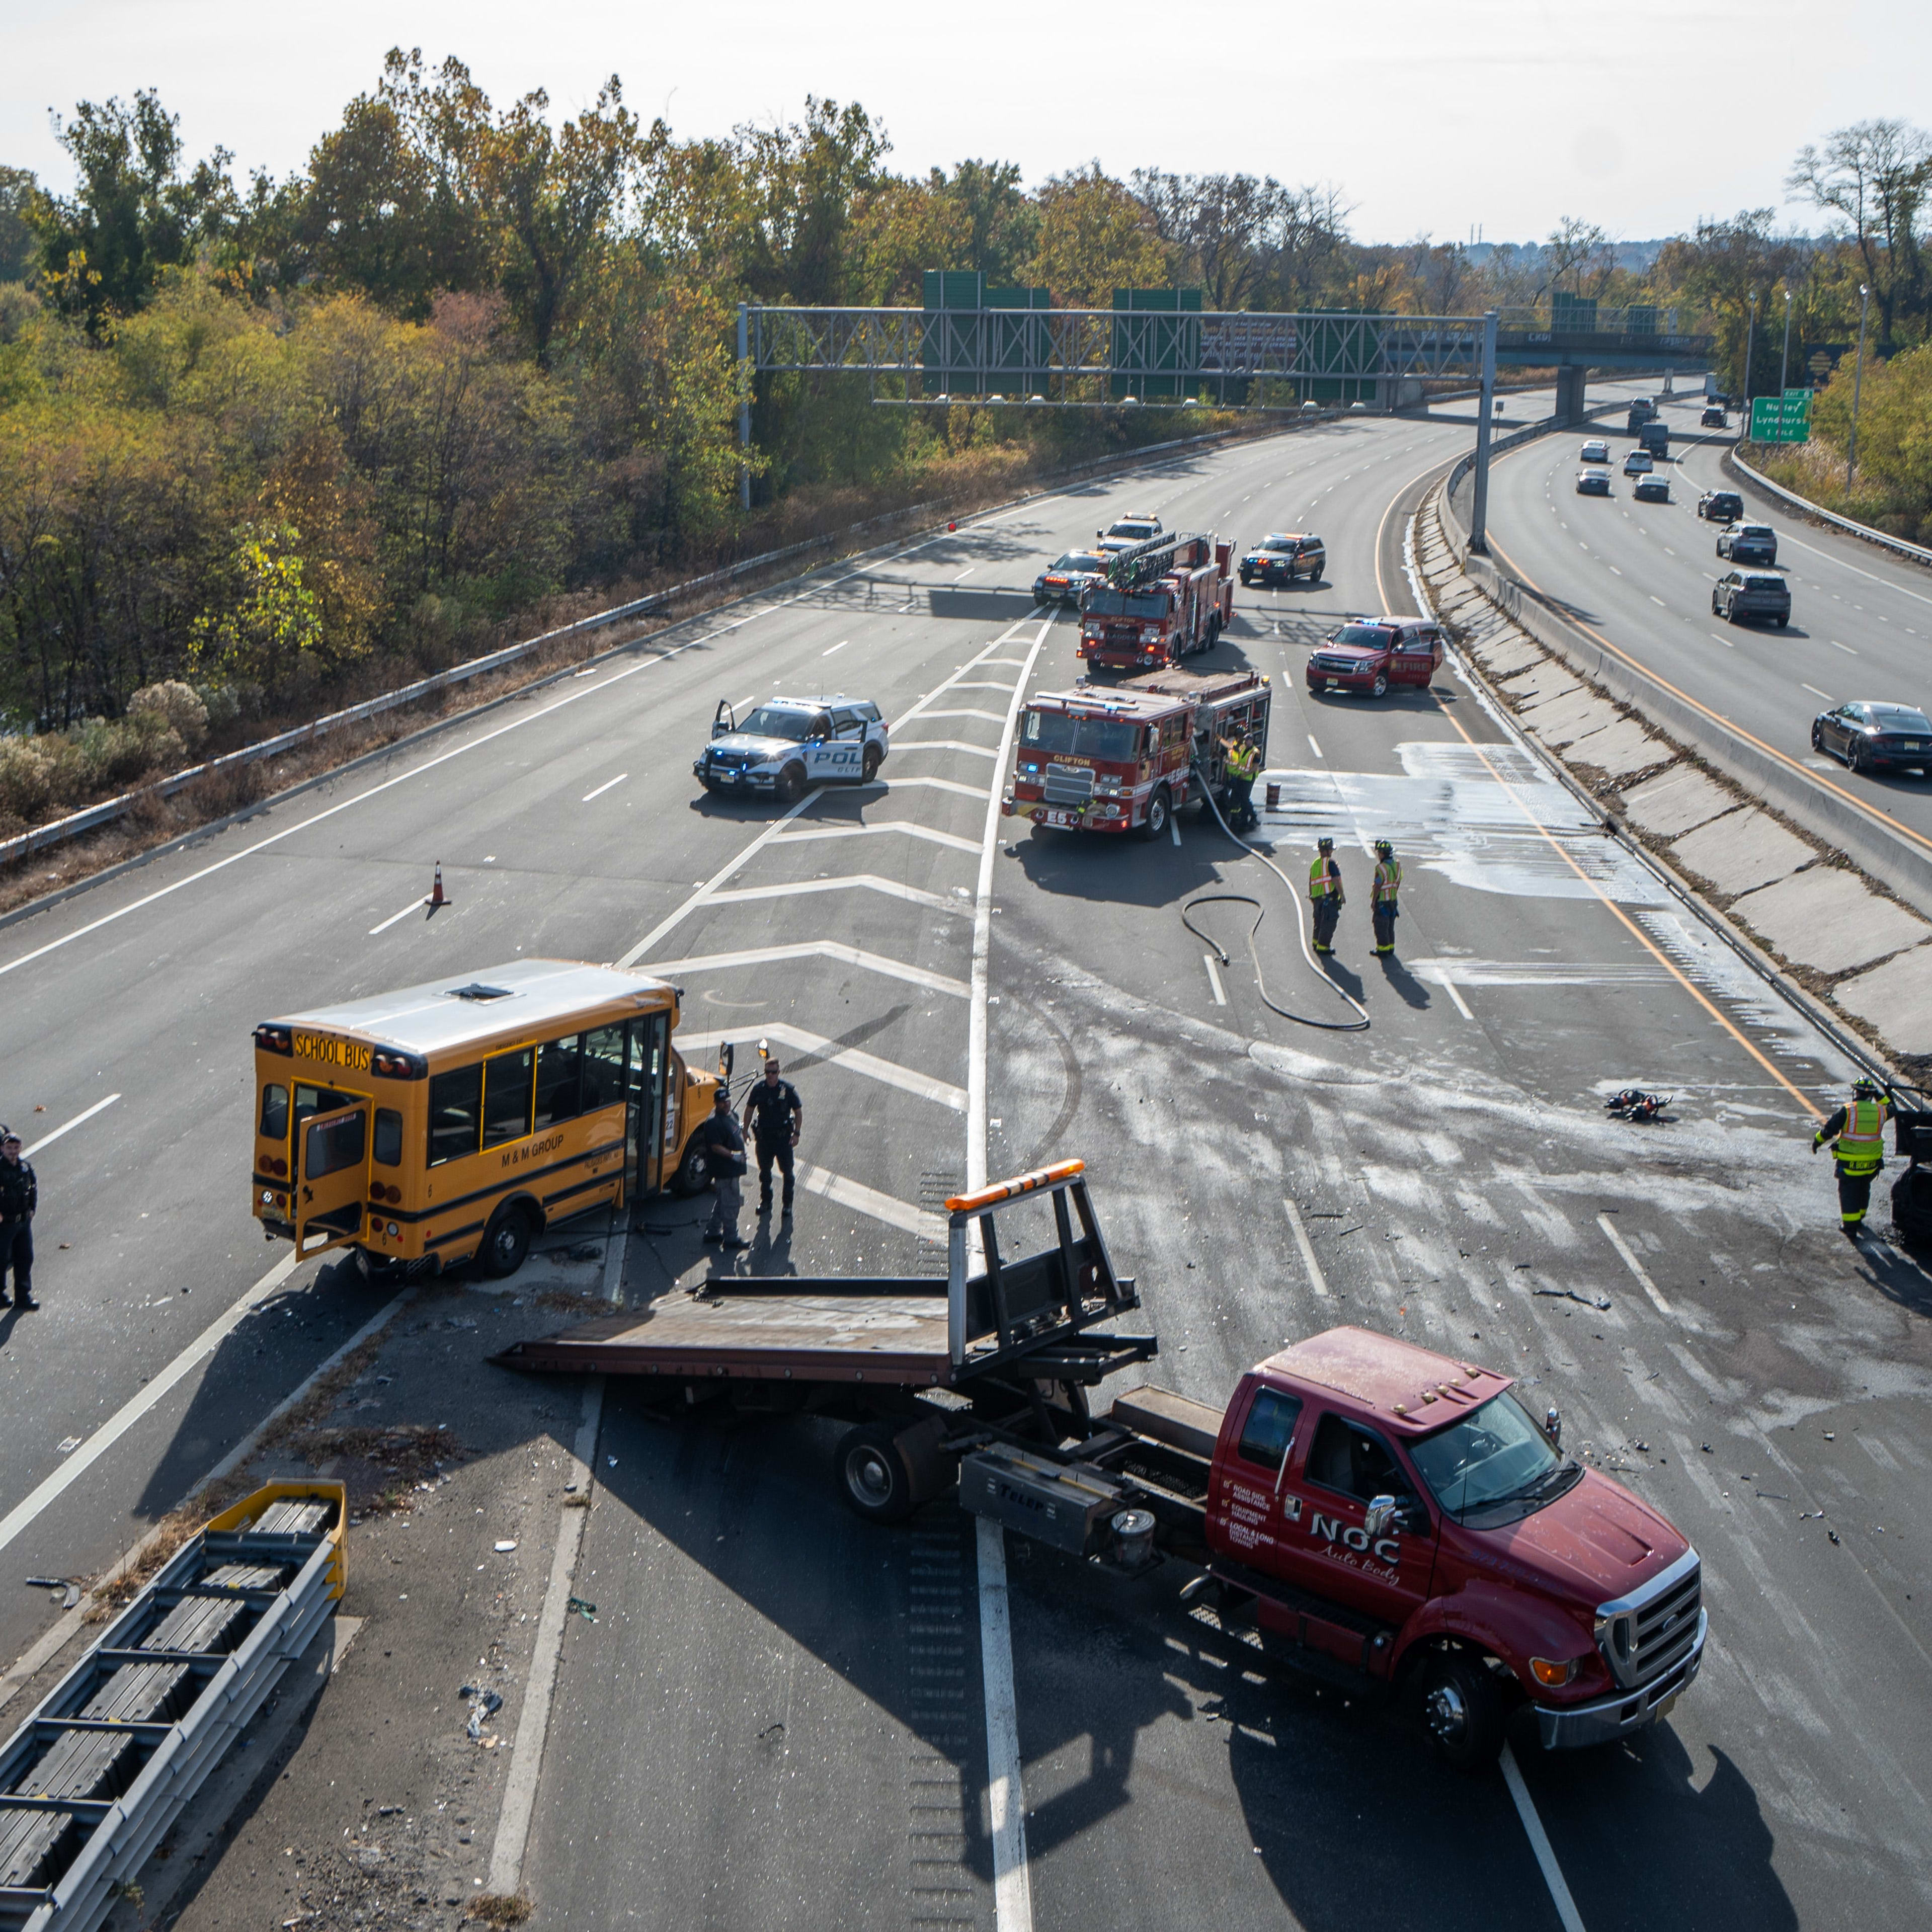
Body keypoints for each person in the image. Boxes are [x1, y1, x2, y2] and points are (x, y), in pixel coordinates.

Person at [1813, 1076, 1889, 1240]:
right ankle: (1860, 1218)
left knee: (1848, 1193)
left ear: (1856, 1093)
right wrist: (1878, 1094)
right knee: (1863, 1189)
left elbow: (1829, 1130)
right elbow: (1892, 1107)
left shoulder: (1848, 1110)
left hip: (1850, 1165)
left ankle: (1850, 1228)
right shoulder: (1881, 1111)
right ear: (1871, 1095)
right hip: (1871, 1165)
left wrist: (1817, 1142)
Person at [741, 1056, 804, 1219]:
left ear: (779, 1072)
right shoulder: (759, 1089)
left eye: (773, 1072)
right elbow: (749, 1109)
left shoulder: (787, 1089)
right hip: (764, 1139)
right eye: (768, 1072)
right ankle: (766, 1202)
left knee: (788, 1173)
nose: (770, 1075)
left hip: (783, 1139)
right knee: (765, 1173)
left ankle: (787, 1205)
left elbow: (798, 1111)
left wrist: (797, 1133)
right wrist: (745, 1129)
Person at [691, 1088, 749, 1250]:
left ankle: (713, 1232)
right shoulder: (713, 1122)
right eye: (722, 1102)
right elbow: (715, 1147)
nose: (726, 1104)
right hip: (725, 1170)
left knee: (723, 1202)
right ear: (716, 1103)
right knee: (731, 1204)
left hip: (734, 1168)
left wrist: (744, 1133)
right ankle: (731, 1238)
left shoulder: (732, 1115)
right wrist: (734, 1156)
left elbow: (736, 1129)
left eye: (728, 1100)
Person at [0, 1130, 36, 1310]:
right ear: (2, 1149)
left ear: (21, 1148)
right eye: (9, 1148)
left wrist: (32, 1209)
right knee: (1, 1260)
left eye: (16, 1148)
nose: (13, 1151)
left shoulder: (25, 1167)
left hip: (23, 1222)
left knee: (25, 1258)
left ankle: (23, 1296)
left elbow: (33, 1188)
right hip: (4, 1223)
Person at [1309, 837, 1344, 954]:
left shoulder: (1315, 864)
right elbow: (1335, 880)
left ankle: (1316, 943)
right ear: (1327, 851)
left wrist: (1312, 896)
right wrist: (1342, 895)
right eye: (1331, 850)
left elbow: (1311, 881)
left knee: (1318, 922)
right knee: (1328, 924)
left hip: (1317, 900)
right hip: (1329, 900)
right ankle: (1324, 948)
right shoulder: (1331, 863)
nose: (1332, 852)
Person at [1222, 733, 1260, 832]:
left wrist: (1246, 774)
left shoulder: (1256, 753)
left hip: (1248, 779)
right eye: (1245, 740)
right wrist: (1220, 740)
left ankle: (1253, 816)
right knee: (1238, 797)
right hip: (1240, 777)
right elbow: (1231, 747)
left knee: (1245, 799)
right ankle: (1243, 819)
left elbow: (1255, 768)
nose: (1246, 742)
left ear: (1252, 741)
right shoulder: (1242, 748)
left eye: (1248, 740)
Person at [1371, 839, 1403, 956]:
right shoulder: (1397, 866)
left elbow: (1378, 886)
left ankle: (1383, 950)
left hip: (1382, 902)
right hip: (1393, 901)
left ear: (1383, 854)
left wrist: (1374, 901)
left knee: (1381, 926)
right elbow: (1398, 882)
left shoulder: (1381, 868)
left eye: (1379, 852)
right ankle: (1390, 948)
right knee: (1390, 926)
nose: (1378, 855)